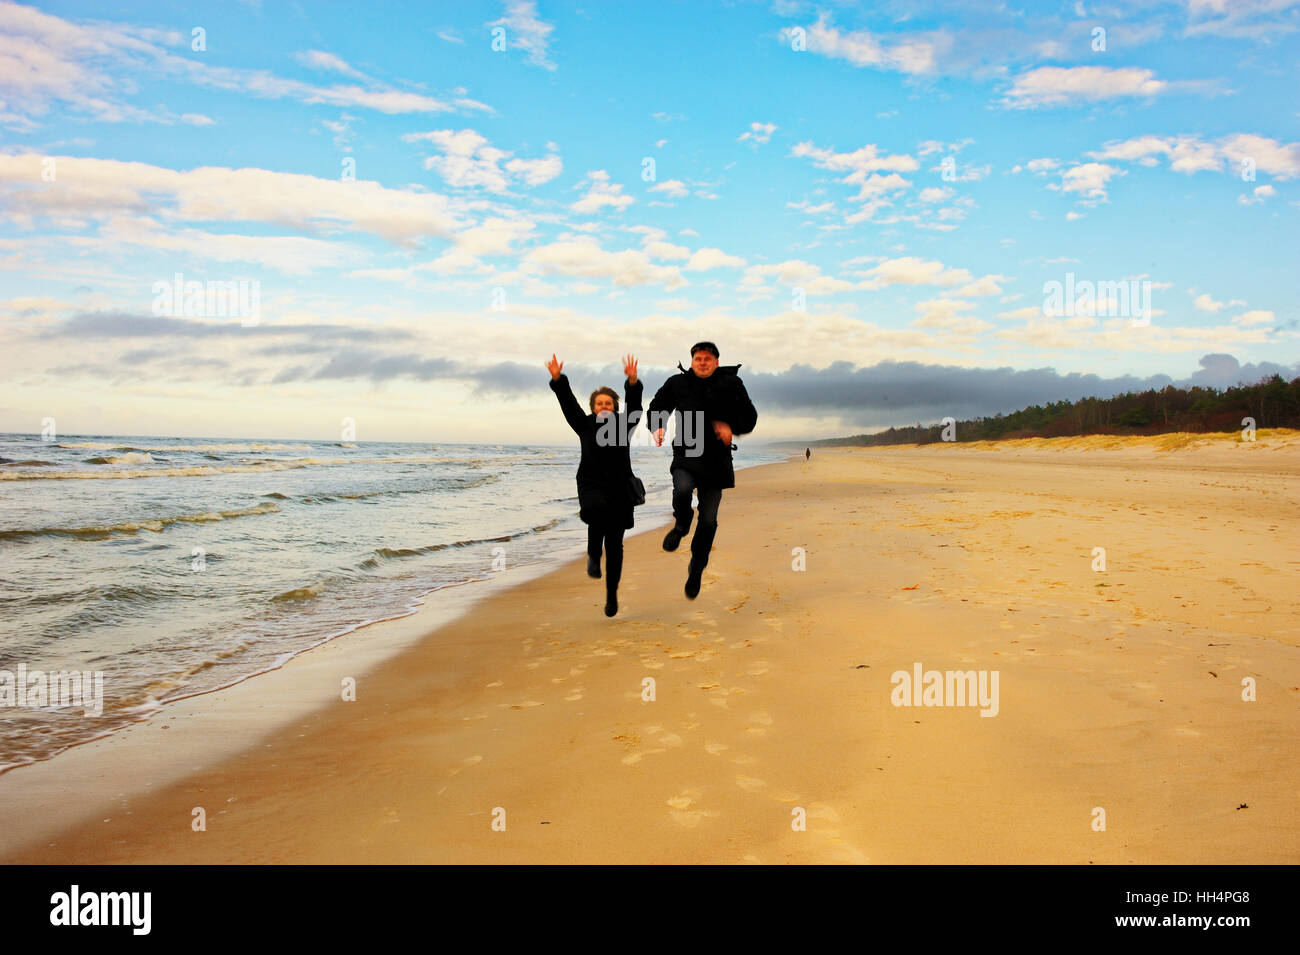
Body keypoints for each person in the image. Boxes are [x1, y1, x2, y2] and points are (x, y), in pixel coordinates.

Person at [645, 341, 757, 599]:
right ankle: (681, 525)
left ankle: (696, 568)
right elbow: (657, 407)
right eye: (698, 358)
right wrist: (657, 426)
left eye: (708, 358)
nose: (703, 362)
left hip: (717, 460)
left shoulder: (731, 384)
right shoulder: (677, 383)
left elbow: (749, 416)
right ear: (692, 361)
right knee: (682, 489)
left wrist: (733, 428)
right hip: (686, 453)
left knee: (708, 519)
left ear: (716, 362)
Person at [546, 353, 643, 617]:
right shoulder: (584, 424)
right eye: (599, 403)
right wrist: (558, 379)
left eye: (608, 404)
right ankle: (592, 553)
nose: (604, 407)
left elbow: (635, 407)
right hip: (591, 484)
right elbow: (568, 404)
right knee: (595, 512)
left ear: (615, 407)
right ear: (593, 407)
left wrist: (633, 382)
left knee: (615, 545)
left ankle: (612, 596)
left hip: (621, 488)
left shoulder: (625, 425)